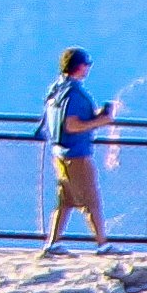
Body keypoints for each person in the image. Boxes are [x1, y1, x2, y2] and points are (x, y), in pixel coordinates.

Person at [38, 48, 114, 251]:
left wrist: (94, 116)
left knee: (65, 201)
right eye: (87, 65)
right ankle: (103, 245)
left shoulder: (56, 89)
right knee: (91, 201)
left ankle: (52, 244)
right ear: (80, 67)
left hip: (59, 154)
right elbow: (72, 125)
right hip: (77, 155)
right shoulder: (75, 94)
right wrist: (101, 121)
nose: (88, 69)